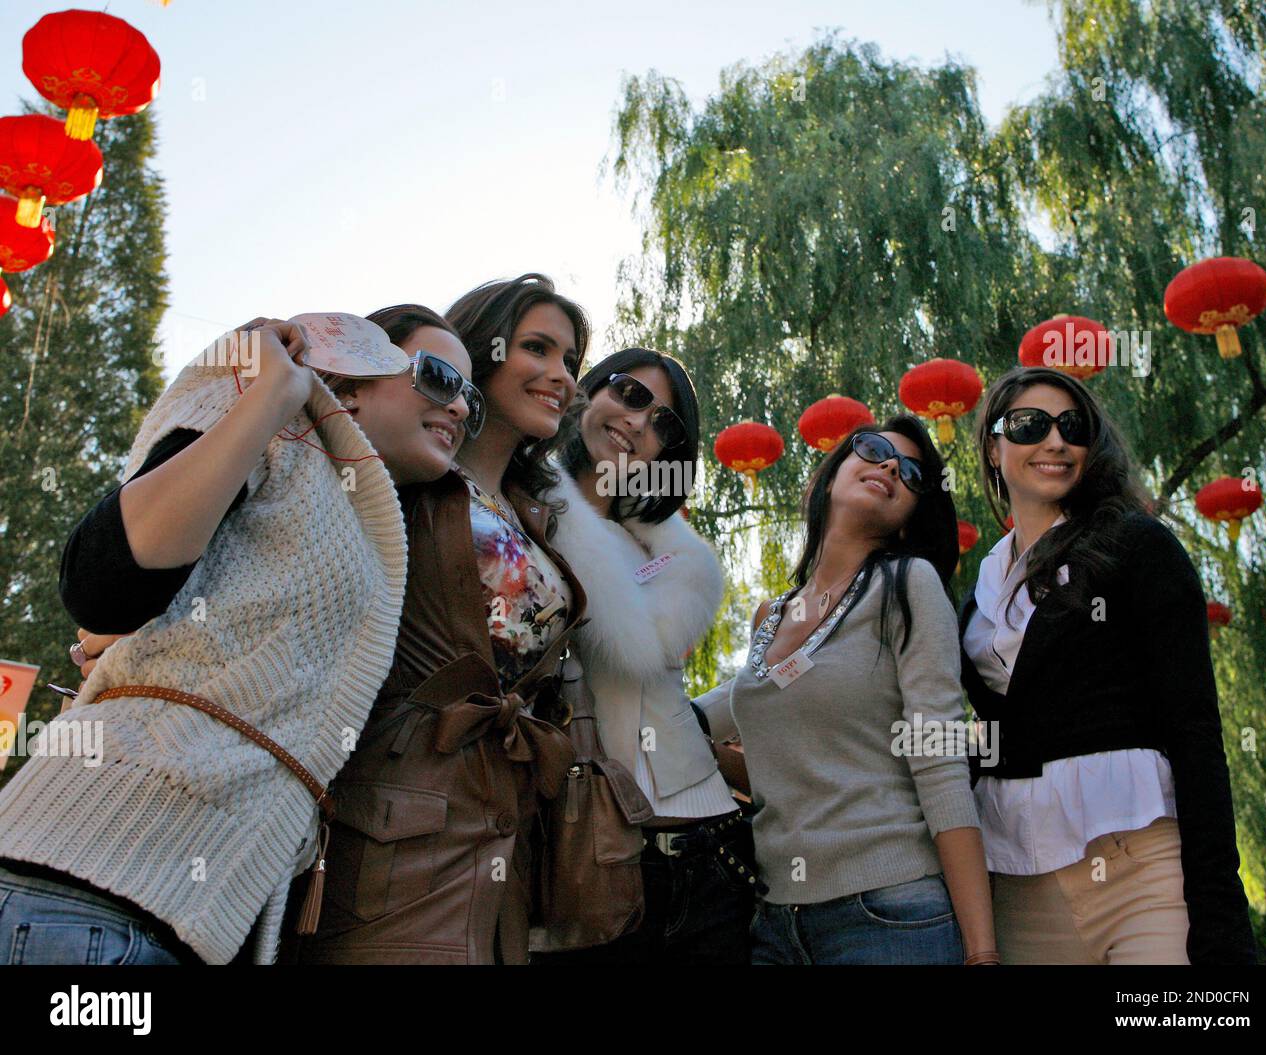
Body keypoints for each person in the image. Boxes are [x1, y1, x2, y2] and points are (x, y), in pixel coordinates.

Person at [0, 306, 476, 964]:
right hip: (84, 890)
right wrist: (272, 393)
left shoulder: (367, 521)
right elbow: (102, 583)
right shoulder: (271, 420)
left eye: (471, 398)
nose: (460, 408)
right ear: (355, 374)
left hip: (189, 921)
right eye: (440, 377)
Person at [280, 274, 593, 964]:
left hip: (502, 828)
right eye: (537, 348)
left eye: (570, 360)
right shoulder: (401, 476)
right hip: (396, 827)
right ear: (480, 351)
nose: (561, 375)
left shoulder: (533, 513)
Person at [959, 365, 1256, 965]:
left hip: (1141, 871)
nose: (1054, 441)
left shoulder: (1139, 546)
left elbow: (1194, 729)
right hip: (1017, 886)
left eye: (1073, 427)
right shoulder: (978, 592)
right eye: (1029, 425)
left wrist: (1220, 907)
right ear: (993, 448)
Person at [694, 417, 997, 965]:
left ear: (909, 518)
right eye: (874, 449)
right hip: (775, 923)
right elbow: (728, 738)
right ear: (830, 476)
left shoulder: (907, 585)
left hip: (890, 913)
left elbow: (940, 759)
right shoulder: (770, 617)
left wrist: (982, 951)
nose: (890, 466)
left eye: (911, 473)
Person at [530, 348, 754, 964]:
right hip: (590, 862)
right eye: (629, 394)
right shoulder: (519, 517)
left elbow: (659, 695)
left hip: (713, 855)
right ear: (587, 391)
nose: (637, 422)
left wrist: (758, 688)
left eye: (664, 423)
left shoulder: (673, 558)